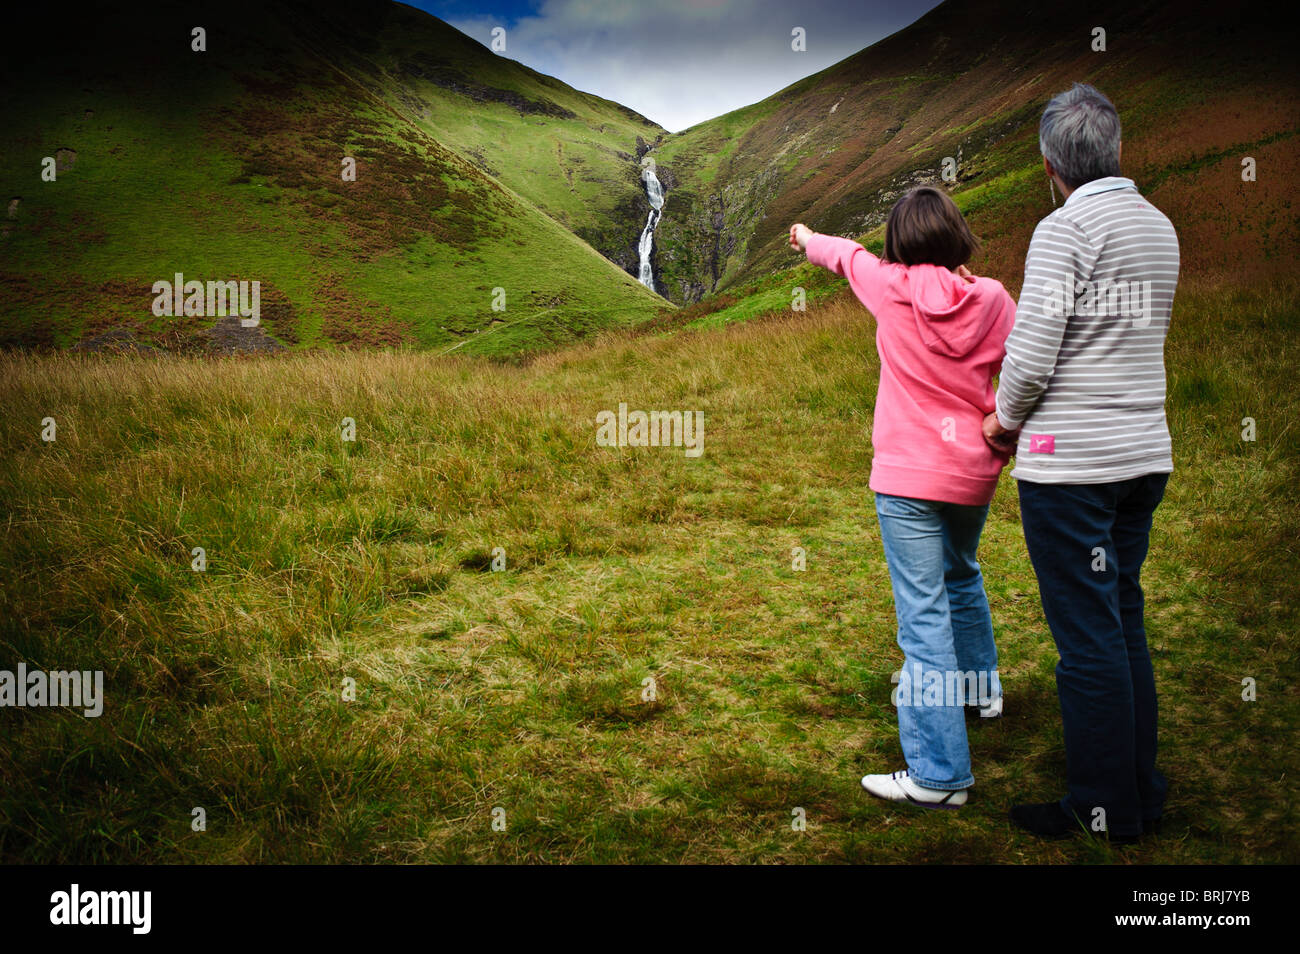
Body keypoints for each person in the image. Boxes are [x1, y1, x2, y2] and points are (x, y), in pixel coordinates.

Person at [983, 83, 1180, 842]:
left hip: (1074, 471)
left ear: (1048, 163)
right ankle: (1140, 789)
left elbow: (1030, 358)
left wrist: (1002, 422)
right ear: (1116, 148)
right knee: (1123, 618)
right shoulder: (1158, 225)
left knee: (1086, 639)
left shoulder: (1063, 230)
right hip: (1142, 457)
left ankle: (1099, 806)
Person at [790, 186, 1016, 808]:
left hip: (906, 478)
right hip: (972, 474)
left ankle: (939, 776)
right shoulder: (993, 297)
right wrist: (1001, 426)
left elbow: (844, 255)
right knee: (962, 575)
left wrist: (808, 239)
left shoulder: (885, 285)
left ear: (898, 243)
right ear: (956, 237)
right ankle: (981, 692)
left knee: (923, 621)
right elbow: (1025, 371)